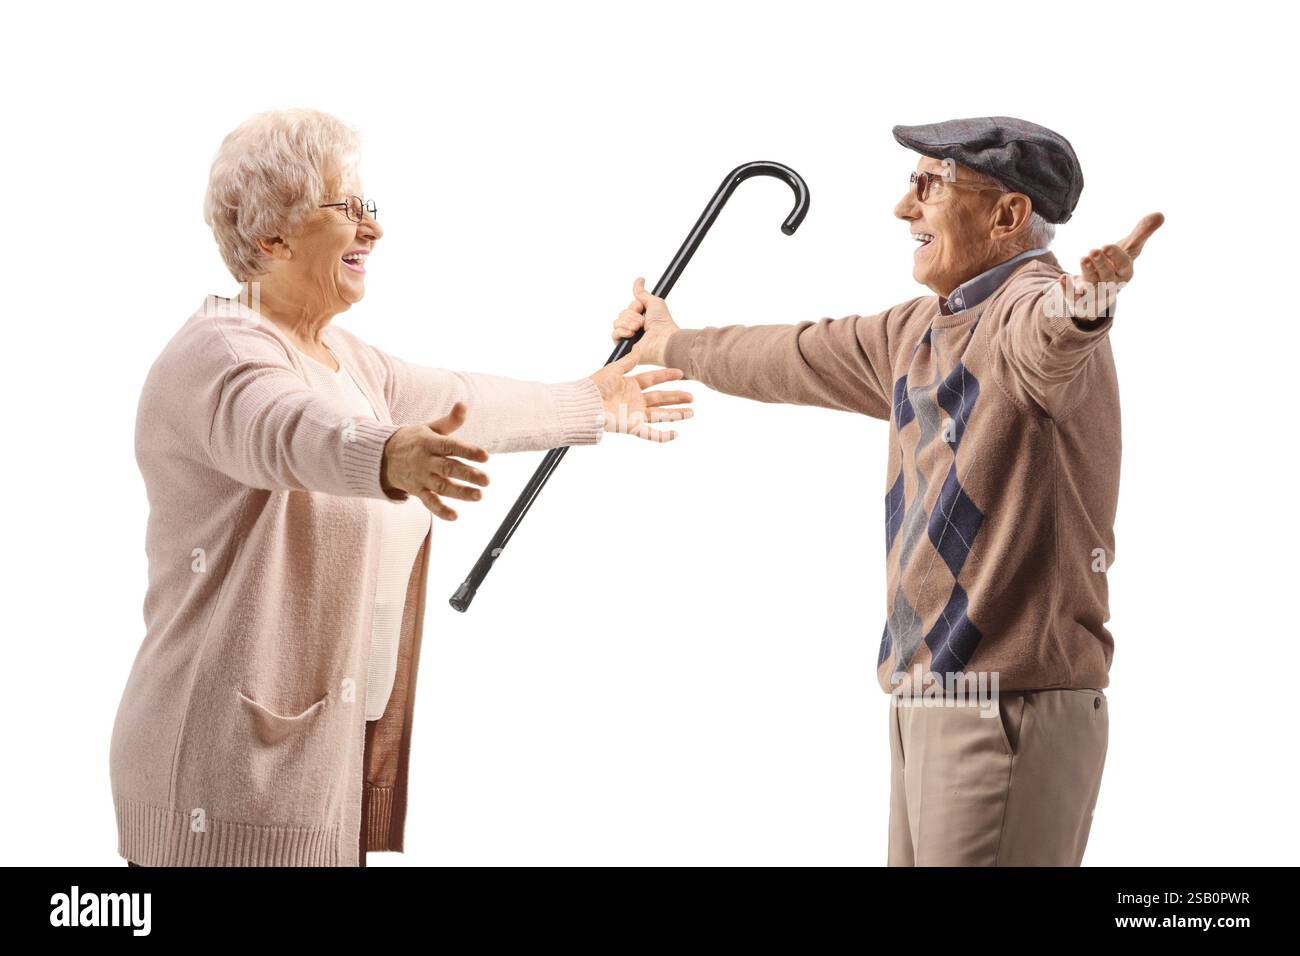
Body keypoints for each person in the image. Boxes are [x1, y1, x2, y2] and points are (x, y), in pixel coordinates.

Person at [110, 108, 693, 866]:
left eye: (368, 208)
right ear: (271, 237)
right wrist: (386, 456)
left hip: (312, 777)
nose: (372, 229)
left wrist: (594, 401)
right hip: (220, 791)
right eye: (345, 208)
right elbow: (289, 432)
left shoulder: (347, 360)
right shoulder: (221, 356)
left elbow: (465, 398)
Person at [611, 116, 1164, 866]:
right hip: (931, 701)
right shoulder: (920, 330)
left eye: (929, 186)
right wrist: (671, 344)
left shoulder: (1025, 309)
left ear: (1007, 215)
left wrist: (1088, 304)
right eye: (913, 184)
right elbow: (794, 353)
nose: (904, 208)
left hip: (1007, 707)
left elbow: (1051, 339)